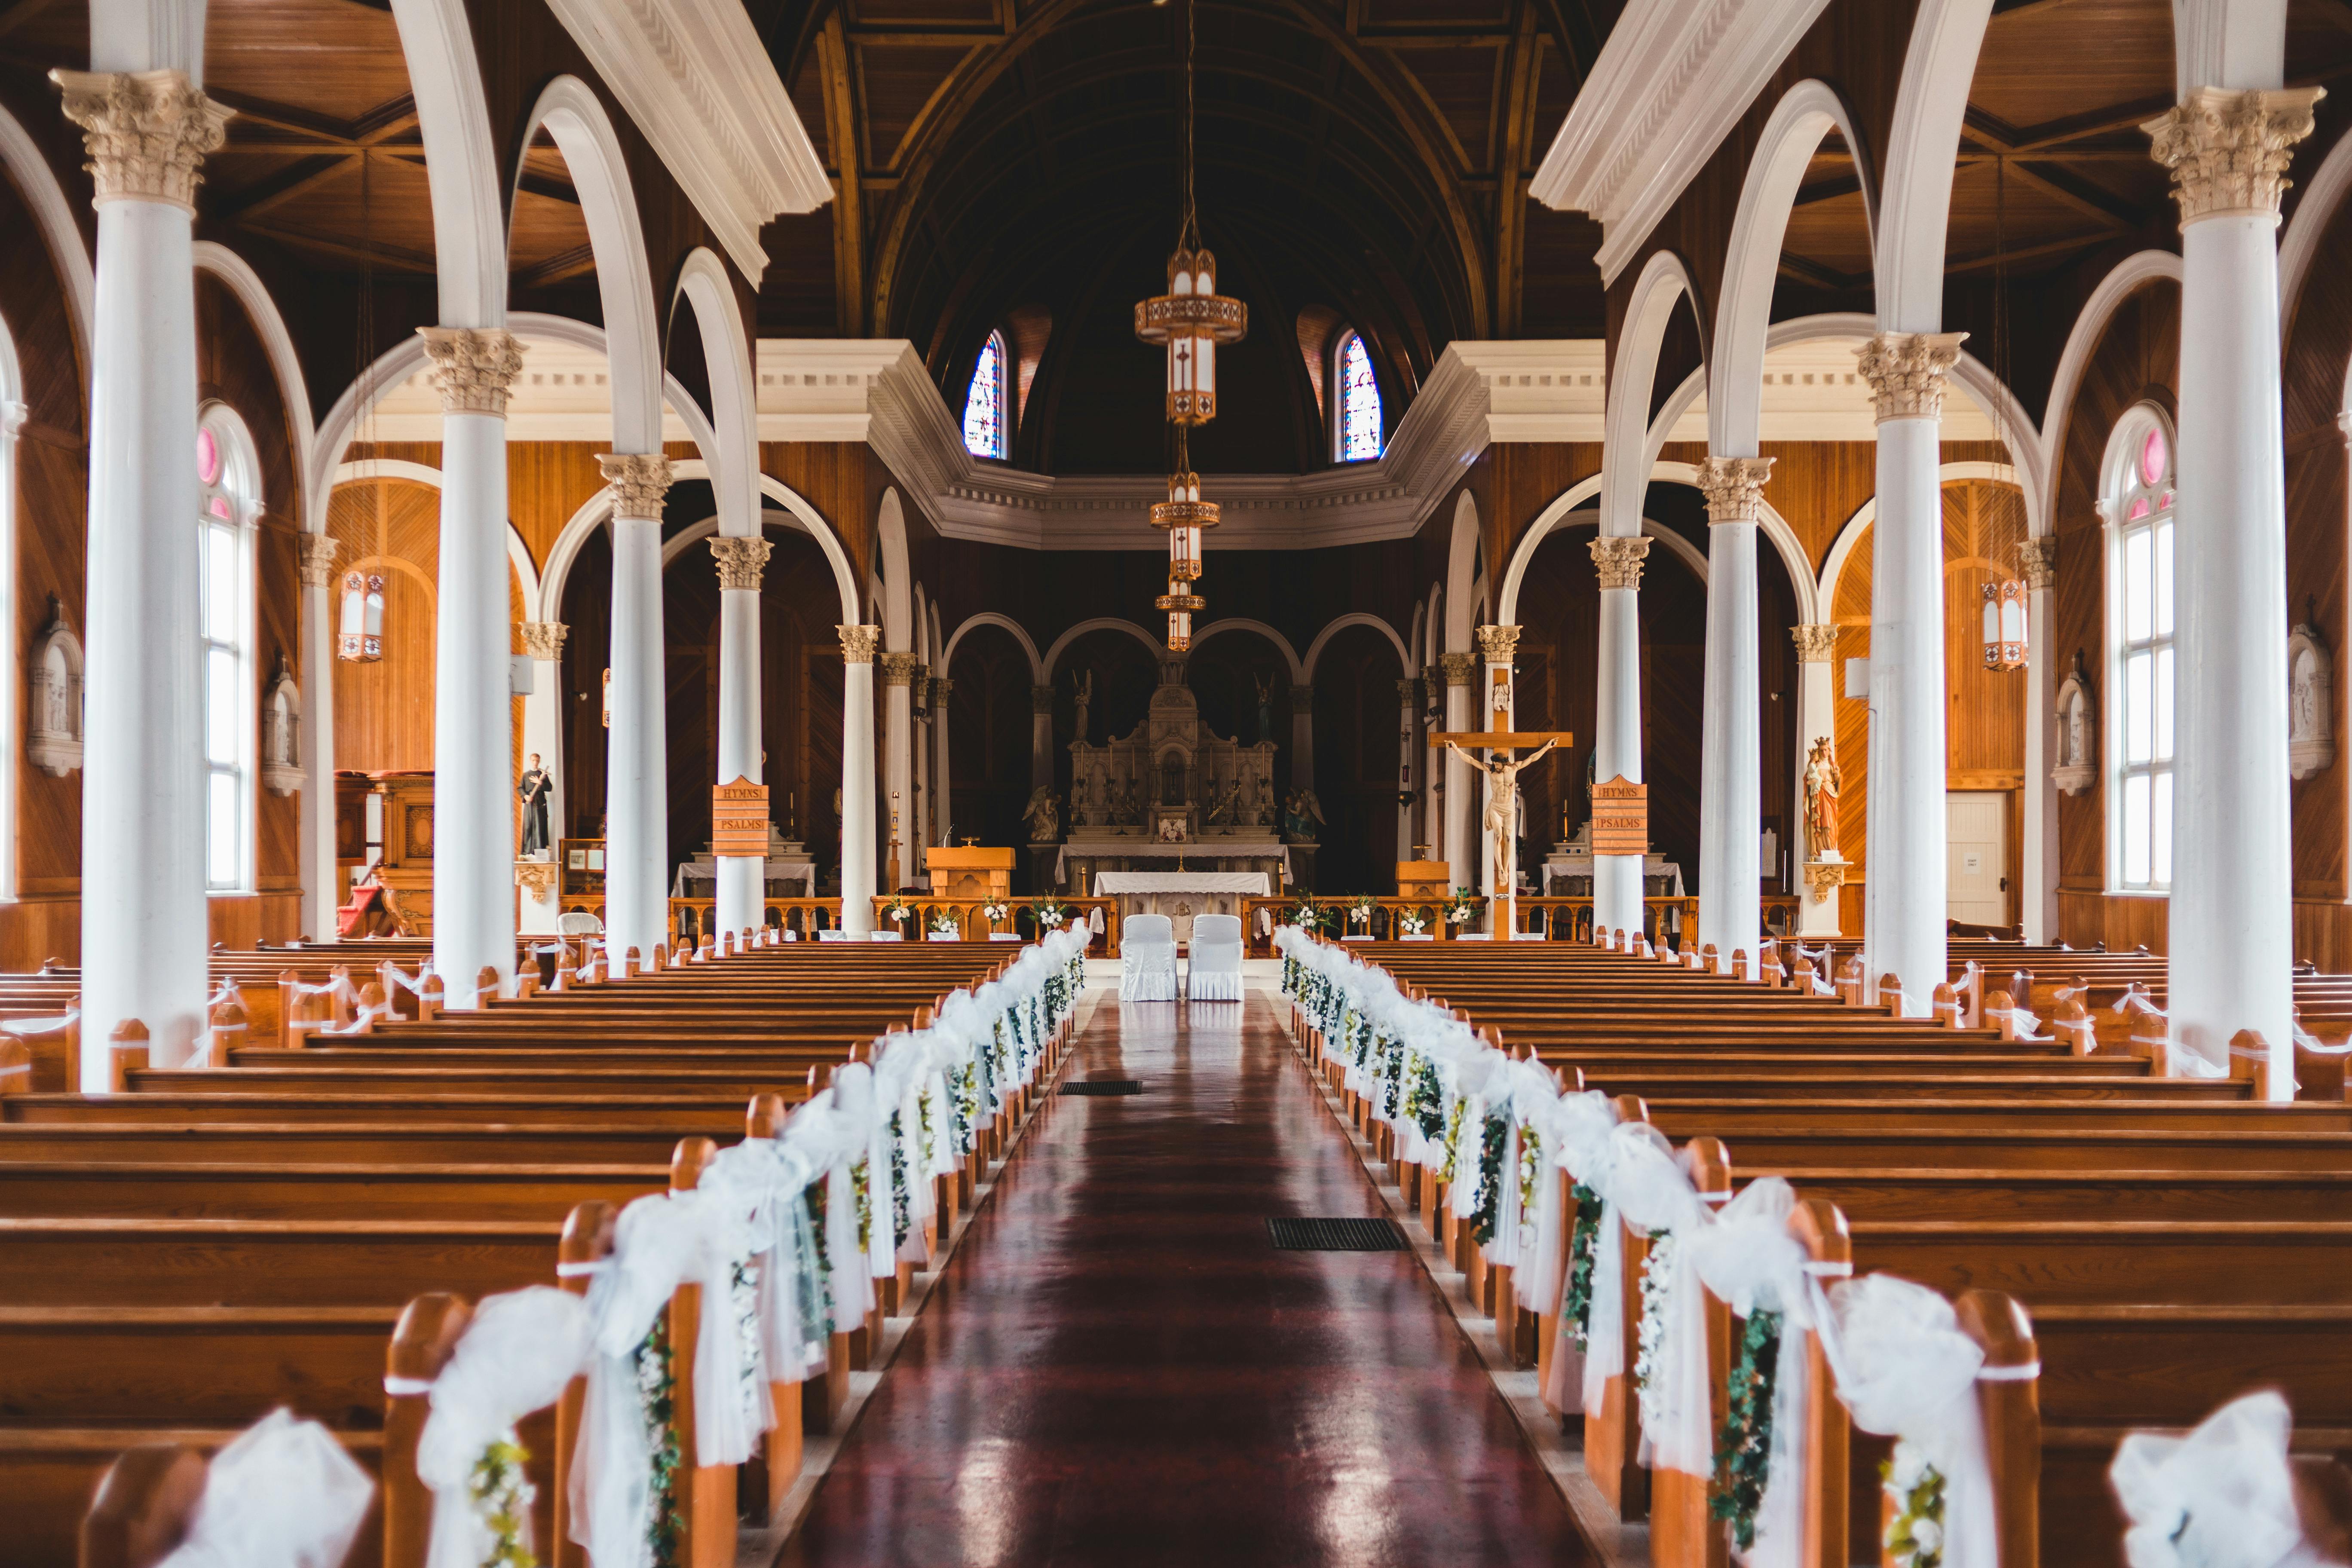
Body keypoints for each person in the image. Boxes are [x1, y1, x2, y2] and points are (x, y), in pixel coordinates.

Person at [517, 753, 553, 859]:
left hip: (540, 804)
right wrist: (526, 796)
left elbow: (550, 788)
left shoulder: (543, 774)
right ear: (531, 761)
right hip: (530, 804)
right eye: (533, 760)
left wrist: (540, 782)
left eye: (537, 761)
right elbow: (520, 788)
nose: (535, 763)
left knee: (539, 826)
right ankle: (527, 851)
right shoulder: (525, 775)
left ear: (539, 761)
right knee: (528, 826)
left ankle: (539, 851)